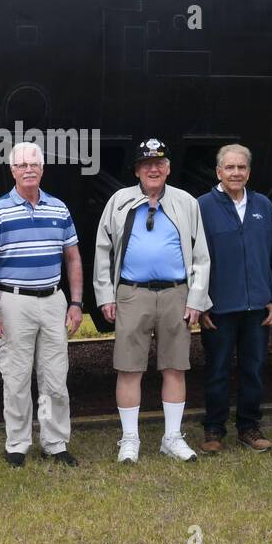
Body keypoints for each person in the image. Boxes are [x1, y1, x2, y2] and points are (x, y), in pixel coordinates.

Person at [94, 138, 211, 463]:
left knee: (175, 367)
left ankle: (171, 438)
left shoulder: (186, 202)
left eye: (159, 163)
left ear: (169, 168)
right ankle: (130, 439)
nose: (153, 169)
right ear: (137, 170)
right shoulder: (119, 201)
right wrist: (106, 294)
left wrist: (196, 299)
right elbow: (103, 251)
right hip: (132, 293)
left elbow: (201, 255)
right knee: (129, 369)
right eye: (147, 164)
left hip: (176, 294)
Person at [0, 142, 84, 467]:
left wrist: (76, 302)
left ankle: (54, 442)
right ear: (12, 170)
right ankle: (18, 445)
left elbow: (73, 259)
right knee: (17, 378)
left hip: (52, 300)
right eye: (21, 165)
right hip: (13, 301)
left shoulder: (59, 209)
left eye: (34, 164)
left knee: (54, 378)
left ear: (42, 169)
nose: (28, 170)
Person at [196, 144, 272, 454]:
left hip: (258, 310)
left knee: (254, 368)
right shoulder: (202, 207)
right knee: (217, 370)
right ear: (218, 171)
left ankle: (249, 427)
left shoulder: (265, 207)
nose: (236, 173)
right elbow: (193, 258)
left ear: (249, 172)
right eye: (230, 167)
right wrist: (201, 301)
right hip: (218, 309)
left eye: (241, 168)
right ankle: (213, 430)